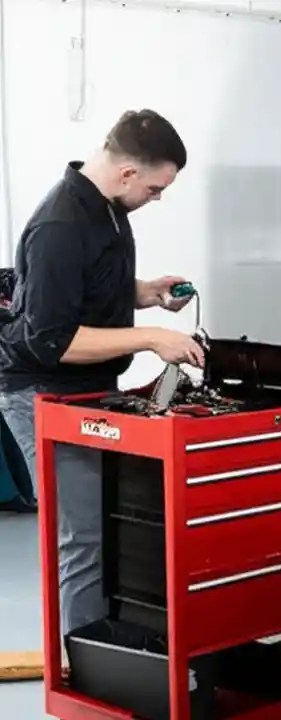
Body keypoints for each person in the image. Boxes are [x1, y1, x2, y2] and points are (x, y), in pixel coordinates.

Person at [0, 109, 206, 636]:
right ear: (128, 174)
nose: (156, 199)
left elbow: (86, 289)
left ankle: (123, 651)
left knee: (113, 526)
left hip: (92, 392)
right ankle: (87, 669)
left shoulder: (107, 210)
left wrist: (147, 293)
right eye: (156, 188)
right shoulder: (59, 224)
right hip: (43, 395)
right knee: (83, 536)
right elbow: (54, 339)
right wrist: (152, 338)